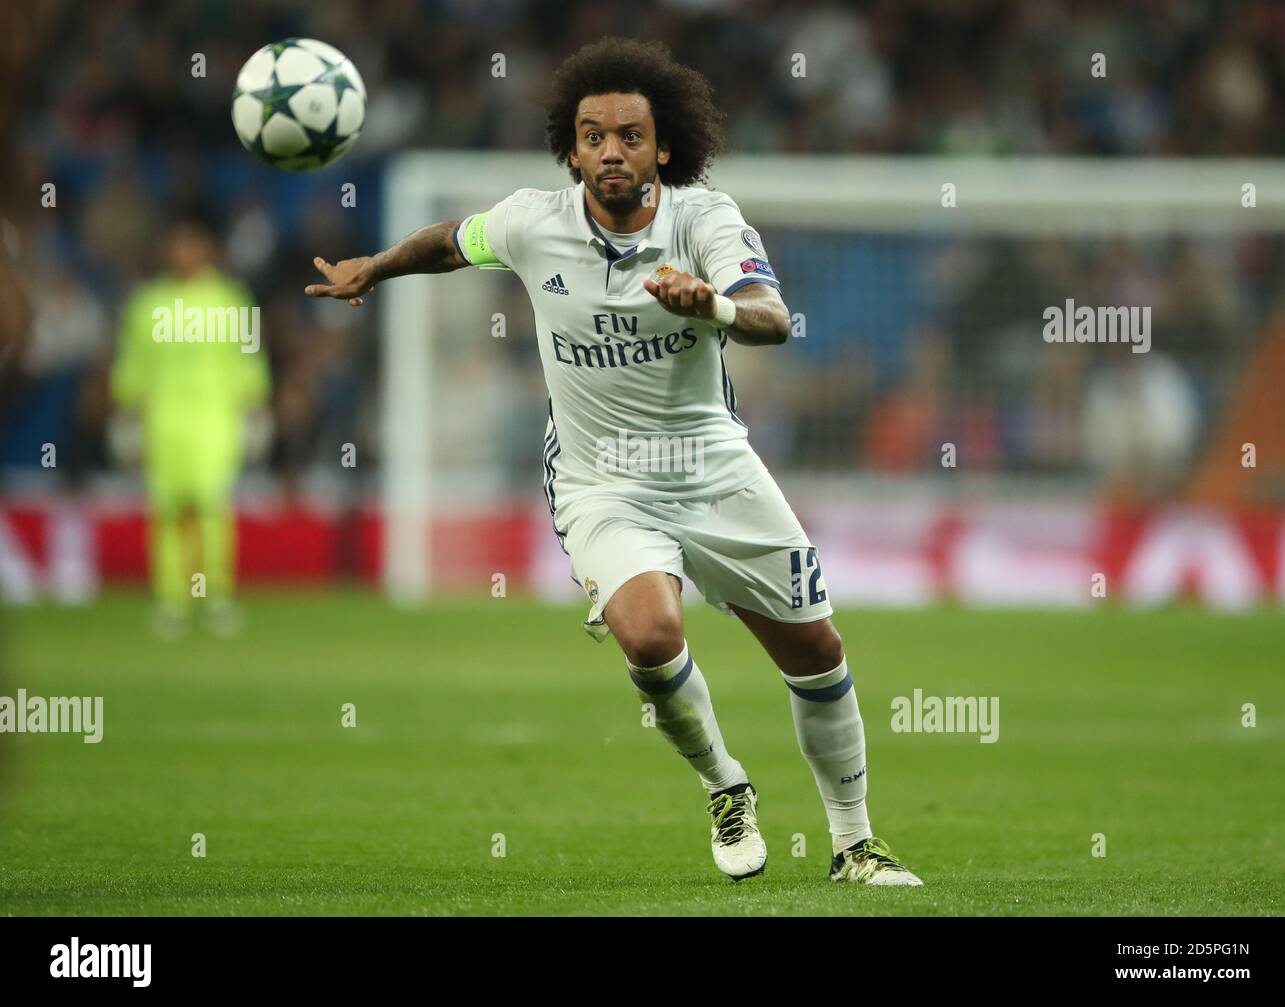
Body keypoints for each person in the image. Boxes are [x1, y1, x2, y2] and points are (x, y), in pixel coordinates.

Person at [306, 37, 921, 886]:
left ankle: (855, 842)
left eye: (630, 135)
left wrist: (711, 302)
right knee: (649, 630)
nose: (610, 151)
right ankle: (724, 782)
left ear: (662, 145)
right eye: (592, 136)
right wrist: (374, 268)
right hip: (602, 483)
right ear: (572, 149)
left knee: (815, 649)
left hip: (714, 469)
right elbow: (450, 241)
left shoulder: (704, 218)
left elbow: (772, 316)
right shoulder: (532, 221)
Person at [111, 216, 270, 638]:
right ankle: (172, 601)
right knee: (166, 510)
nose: (183, 253)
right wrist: (126, 410)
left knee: (212, 506)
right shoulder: (147, 303)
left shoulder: (232, 299)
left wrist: (255, 408)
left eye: (191, 245)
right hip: (163, 420)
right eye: (177, 244)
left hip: (216, 418)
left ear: (207, 250)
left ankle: (215, 597)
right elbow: (133, 361)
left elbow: (249, 354)